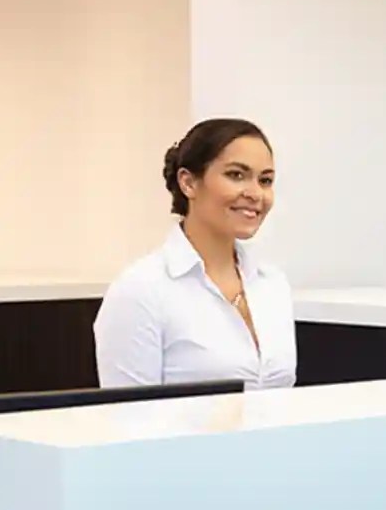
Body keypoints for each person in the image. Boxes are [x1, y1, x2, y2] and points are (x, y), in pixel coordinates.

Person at [94, 118, 296, 389]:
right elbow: (128, 421)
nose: (255, 193)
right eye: (236, 175)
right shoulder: (140, 291)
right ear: (188, 183)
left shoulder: (272, 284)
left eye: (265, 180)